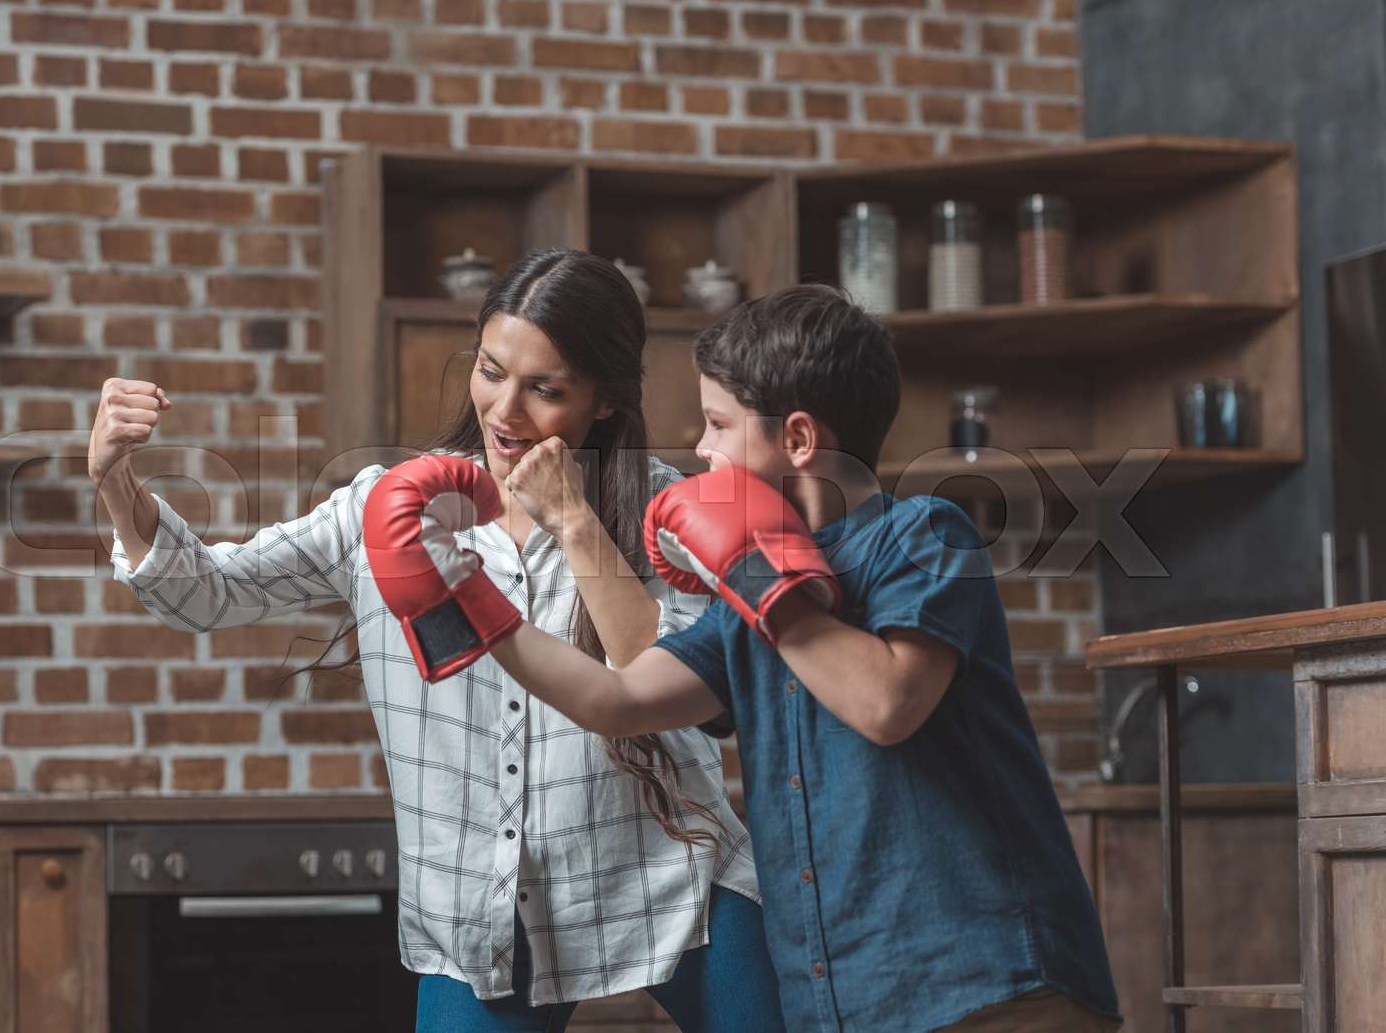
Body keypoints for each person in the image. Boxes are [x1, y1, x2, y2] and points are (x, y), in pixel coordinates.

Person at [364, 285, 1123, 1032]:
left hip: (991, 983)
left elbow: (888, 704)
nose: (699, 450)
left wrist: (756, 575)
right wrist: (465, 603)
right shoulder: (744, 601)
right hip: (849, 997)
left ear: (795, 440)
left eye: (718, 424)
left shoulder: (922, 535)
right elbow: (616, 700)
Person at [88, 248, 786, 1033]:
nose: (506, 411)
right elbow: (211, 593)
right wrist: (116, 483)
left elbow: (671, 688)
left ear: (602, 404)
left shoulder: (671, 509)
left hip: (674, 875)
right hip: (483, 909)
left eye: (545, 389)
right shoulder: (386, 507)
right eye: (491, 371)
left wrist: (575, 522)